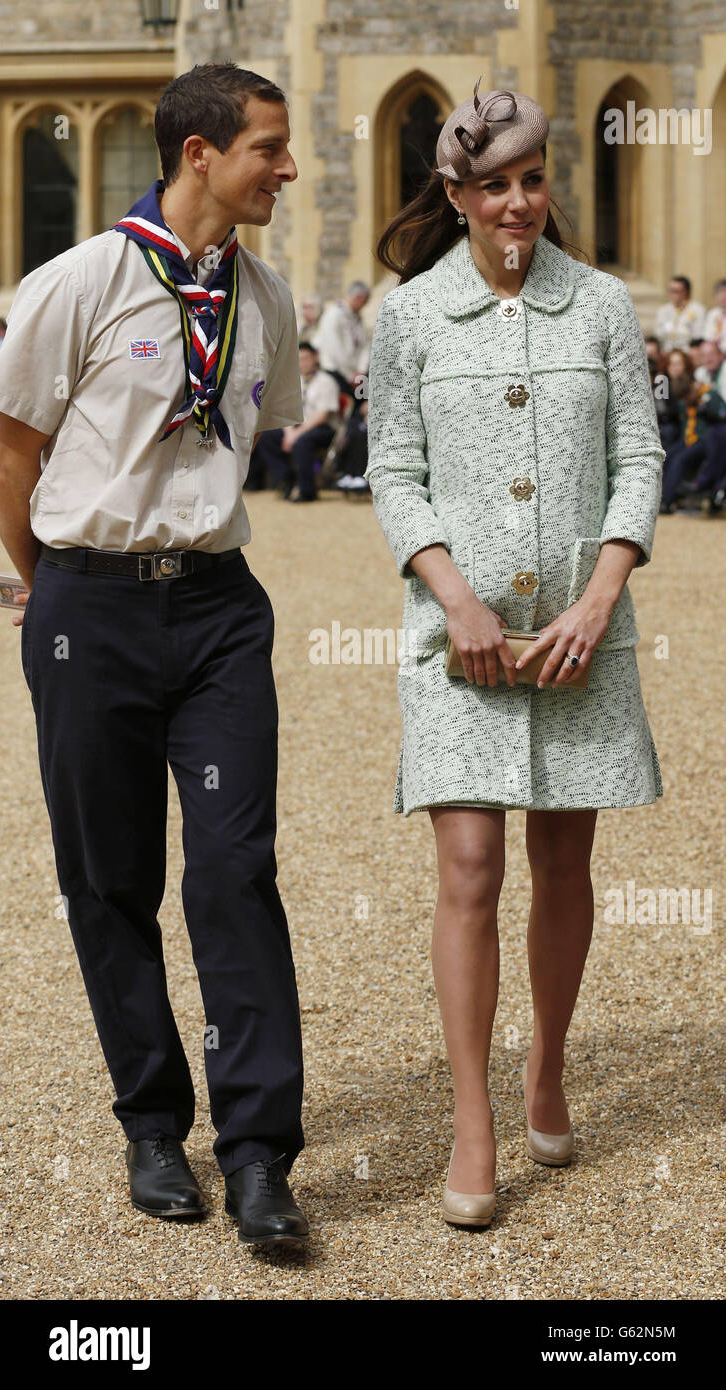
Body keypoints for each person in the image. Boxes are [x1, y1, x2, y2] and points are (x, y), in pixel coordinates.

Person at [0, 62, 311, 1250]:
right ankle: (151, 1123)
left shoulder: (264, 296)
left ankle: (259, 1149)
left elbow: (249, 433)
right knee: (109, 878)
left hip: (221, 607)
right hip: (90, 605)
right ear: (199, 154)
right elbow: (12, 453)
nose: (288, 168)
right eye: (269, 148)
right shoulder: (78, 282)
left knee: (235, 872)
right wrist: (47, 585)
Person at [365, 81, 665, 1230]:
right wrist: (454, 598)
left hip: (581, 634)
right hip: (460, 644)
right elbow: (393, 471)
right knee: (470, 867)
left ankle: (546, 1064)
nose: (517, 202)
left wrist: (600, 594)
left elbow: (638, 459)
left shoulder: (601, 304)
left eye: (532, 179)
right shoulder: (409, 317)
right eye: (493, 185)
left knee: (563, 862)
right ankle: (472, 1120)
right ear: (454, 193)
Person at [252, 341, 340, 500]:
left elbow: (322, 415)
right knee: (267, 437)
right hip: (294, 425)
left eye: (306, 358)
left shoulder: (327, 381)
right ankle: (287, 479)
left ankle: (307, 490)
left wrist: (296, 434)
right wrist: (289, 433)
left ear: (316, 358)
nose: (303, 363)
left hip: (321, 427)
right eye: (299, 359)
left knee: (302, 443)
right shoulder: (292, 381)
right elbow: (283, 409)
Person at [660, 340, 726, 513]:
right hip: (688, 439)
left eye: (687, 395)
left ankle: (667, 501)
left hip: (705, 439)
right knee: (667, 456)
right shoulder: (685, 400)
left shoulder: (708, 395)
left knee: (680, 460)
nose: (686, 399)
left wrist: (706, 407)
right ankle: (660, 496)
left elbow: (720, 414)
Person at [314, 280, 371, 402]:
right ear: (358, 298)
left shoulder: (358, 318)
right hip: (336, 373)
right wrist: (350, 375)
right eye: (365, 301)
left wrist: (361, 371)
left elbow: (365, 345)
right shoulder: (333, 315)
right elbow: (335, 348)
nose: (365, 305)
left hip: (357, 375)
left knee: (364, 403)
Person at [654, 275, 706, 352]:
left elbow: (697, 336)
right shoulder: (663, 310)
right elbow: (658, 333)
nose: (672, 294)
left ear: (686, 292)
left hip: (688, 350)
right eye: (670, 291)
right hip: (666, 350)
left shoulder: (698, 309)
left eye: (676, 291)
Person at [703, 278, 726, 352]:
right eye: (719, 292)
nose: (723, 296)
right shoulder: (712, 313)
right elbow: (707, 336)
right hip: (713, 352)